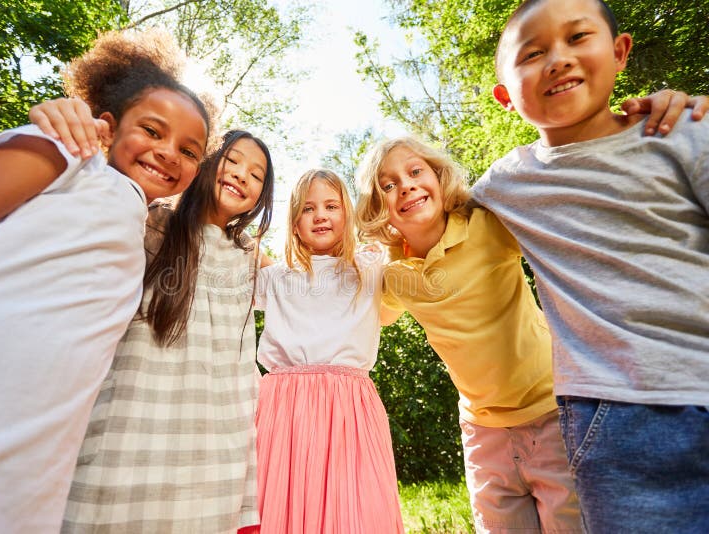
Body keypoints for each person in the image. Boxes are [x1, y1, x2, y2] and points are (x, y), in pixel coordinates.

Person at [0, 29, 211, 532]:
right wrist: (70, 126)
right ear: (107, 126)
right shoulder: (70, 155)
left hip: (19, 474)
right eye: (152, 130)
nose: (168, 152)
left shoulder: (145, 229)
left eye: (189, 150)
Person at [470, 0, 709, 531]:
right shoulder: (507, 183)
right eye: (532, 54)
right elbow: (432, 217)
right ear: (505, 96)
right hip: (615, 418)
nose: (559, 59)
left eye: (578, 37)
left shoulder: (685, 131)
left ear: (620, 52)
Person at [356, 138, 579, 533]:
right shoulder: (395, 275)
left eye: (415, 171)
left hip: (551, 410)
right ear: (377, 208)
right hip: (483, 431)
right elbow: (378, 316)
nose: (406, 186)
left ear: (439, 176)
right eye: (388, 185)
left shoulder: (487, 226)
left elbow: (555, 220)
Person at [60, 129, 275, 533]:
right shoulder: (152, 223)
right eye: (232, 161)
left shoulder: (250, 255)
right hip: (136, 417)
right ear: (205, 162)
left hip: (216, 435)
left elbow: (308, 287)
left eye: (256, 175)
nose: (241, 175)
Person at [254, 169, 404, 533]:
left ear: (348, 214)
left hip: (349, 407)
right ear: (294, 224)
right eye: (308, 208)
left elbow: (406, 237)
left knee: (354, 506)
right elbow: (229, 245)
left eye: (331, 206)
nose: (320, 215)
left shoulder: (370, 268)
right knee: (282, 503)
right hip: (283, 408)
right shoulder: (276, 277)